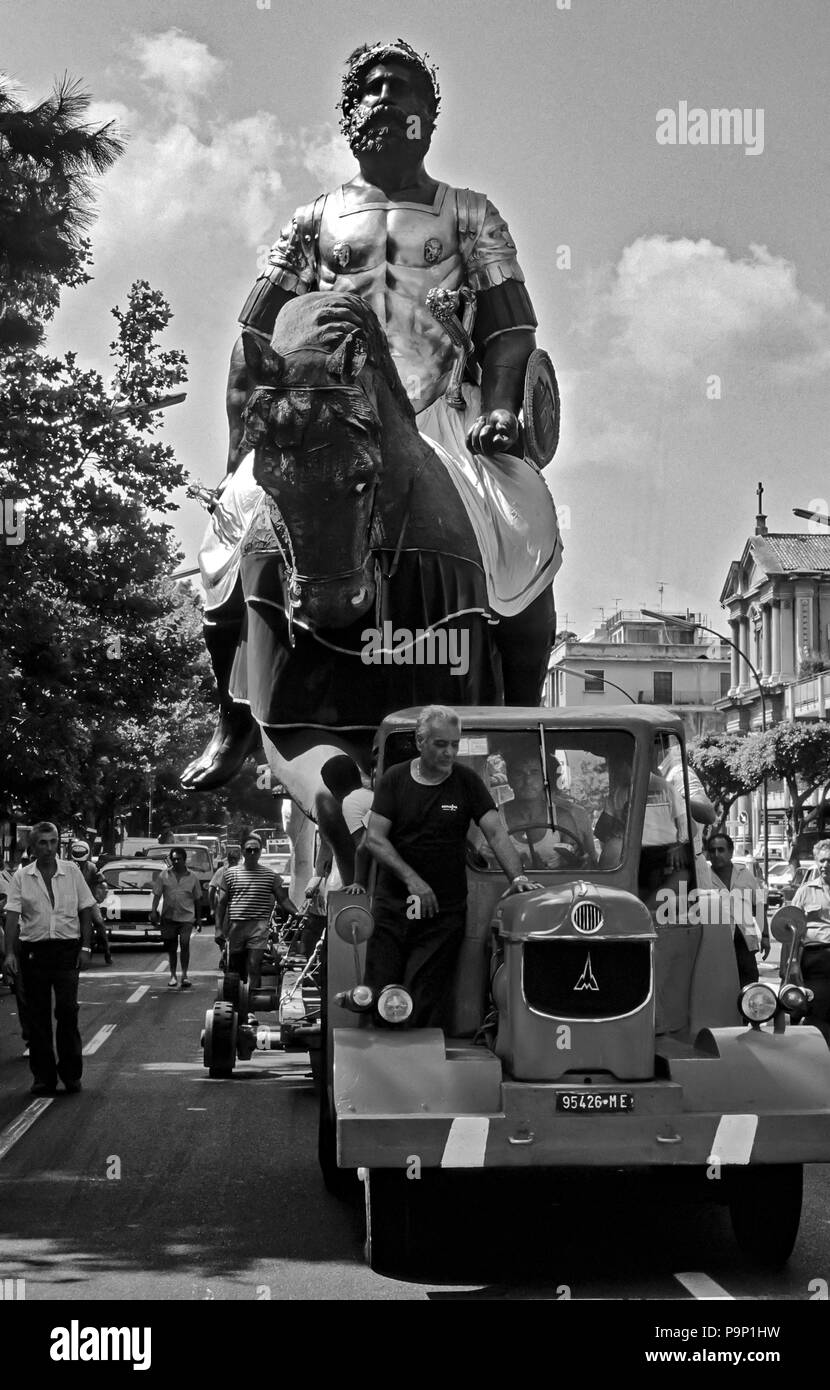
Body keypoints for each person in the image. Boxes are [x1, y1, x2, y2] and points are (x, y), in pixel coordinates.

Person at [183, 39, 562, 790]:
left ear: (430, 114)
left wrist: (505, 410)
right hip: (327, 413)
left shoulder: (470, 215)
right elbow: (257, 331)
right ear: (349, 116)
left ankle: (521, 727)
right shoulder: (313, 220)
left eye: (404, 88)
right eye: (370, 91)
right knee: (225, 532)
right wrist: (247, 444)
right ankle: (230, 720)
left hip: (441, 416)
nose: (386, 100)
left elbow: (511, 329)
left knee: (528, 520)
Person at [364, 705, 536, 1027]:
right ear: (420, 741)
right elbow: (374, 839)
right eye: (441, 744)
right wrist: (413, 881)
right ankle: (380, 1063)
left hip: (443, 912)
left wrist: (519, 876)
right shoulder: (394, 780)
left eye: (454, 744)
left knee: (423, 995)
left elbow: (496, 831)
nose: (449, 752)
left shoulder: (467, 782)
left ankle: (423, 1067)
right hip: (395, 907)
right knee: (381, 994)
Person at [2, 821, 95, 1095]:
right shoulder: (22, 877)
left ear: (58, 844)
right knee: (37, 1016)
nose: (49, 848)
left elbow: (86, 908)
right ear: (33, 846)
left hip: (67, 951)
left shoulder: (72, 872)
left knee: (67, 1011)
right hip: (34, 953)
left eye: (53, 842)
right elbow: (12, 916)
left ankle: (71, 1074)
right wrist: (9, 953)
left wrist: (86, 947)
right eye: (42, 842)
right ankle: (44, 1077)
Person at [216, 834, 297, 990]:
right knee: (235, 968)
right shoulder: (230, 874)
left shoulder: (270, 876)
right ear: (243, 852)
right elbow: (221, 903)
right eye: (249, 850)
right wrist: (218, 929)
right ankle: (237, 1003)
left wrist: (297, 913)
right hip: (236, 927)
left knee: (254, 965)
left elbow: (283, 900)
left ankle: (251, 1005)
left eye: (256, 850)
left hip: (258, 927)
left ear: (260, 852)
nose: (252, 853)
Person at [503, 751, 596, 869]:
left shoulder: (562, 818)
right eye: (519, 773)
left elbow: (578, 863)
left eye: (534, 772)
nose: (528, 781)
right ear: (509, 779)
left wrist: (571, 859)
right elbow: (478, 859)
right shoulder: (495, 818)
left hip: (554, 885)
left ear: (544, 779)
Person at [705, 830, 769, 988]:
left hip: (744, 944)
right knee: (722, 988)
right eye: (712, 850)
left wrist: (766, 936)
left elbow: (758, 906)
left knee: (749, 989)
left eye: (721, 850)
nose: (716, 854)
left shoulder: (745, 874)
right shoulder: (703, 877)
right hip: (716, 944)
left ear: (731, 852)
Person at [791, 838, 830, 1041]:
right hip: (816, 959)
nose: (825, 865)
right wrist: (792, 964)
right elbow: (792, 930)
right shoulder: (805, 891)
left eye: (829, 860)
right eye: (822, 860)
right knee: (817, 1008)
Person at [150, 847, 202, 989]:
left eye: (179, 859)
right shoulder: (164, 875)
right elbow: (157, 894)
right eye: (173, 859)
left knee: (185, 943)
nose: (176, 861)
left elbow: (198, 899)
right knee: (171, 947)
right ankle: (173, 975)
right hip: (169, 917)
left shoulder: (192, 877)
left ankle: (184, 975)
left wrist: (198, 919)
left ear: (184, 860)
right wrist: (153, 911)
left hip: (186, 918)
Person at [69, 840, 112, 965]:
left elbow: (102, 881)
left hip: (89, 900)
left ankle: (107, 951)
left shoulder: (92, 867)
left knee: (99, 922)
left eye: (81, 855)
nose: (79, 859)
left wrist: (99, 893)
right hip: (71, 900)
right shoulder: (68, 867)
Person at [209, 844, 240, 967]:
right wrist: (212, 907)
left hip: (237, 908)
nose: (233, 861)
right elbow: (211, 889)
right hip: (226, 908)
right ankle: (225, 954)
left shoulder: (238, 871)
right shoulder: (222, 872)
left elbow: (211, 890)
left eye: (234, 859)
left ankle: (227, 956)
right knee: (222, 935)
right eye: (231, 859)